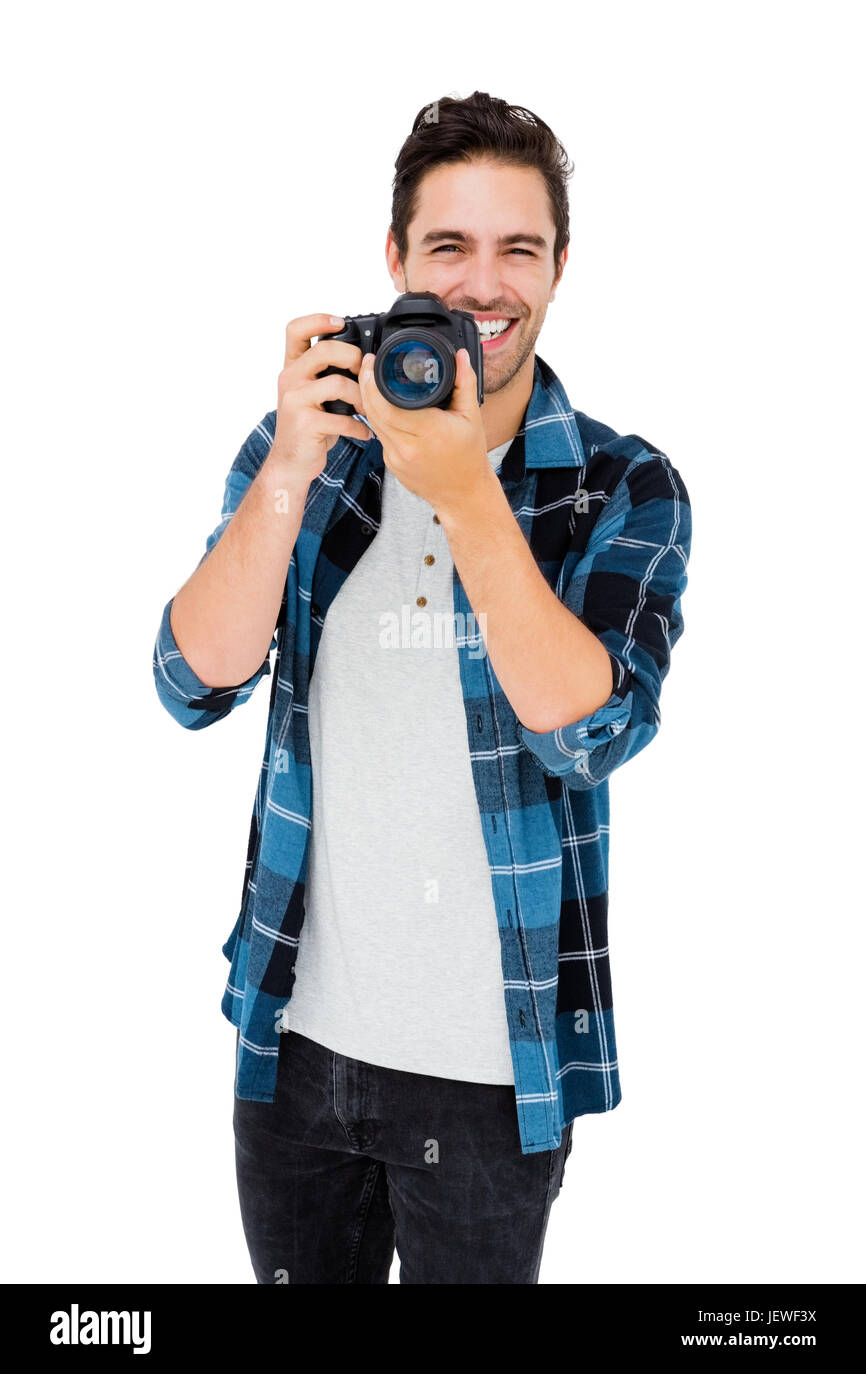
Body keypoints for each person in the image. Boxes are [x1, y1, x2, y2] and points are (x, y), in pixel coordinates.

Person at [152, 90, 692, 1285]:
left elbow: (591, 729)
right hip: (293, 1047)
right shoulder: (311, 452)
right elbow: (190, 677)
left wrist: (466, 493)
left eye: (518, 248)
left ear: (559, 268)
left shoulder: (621, 484)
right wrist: (292, 460)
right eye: (448, 246)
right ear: (393, 261)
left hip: (495, 1073)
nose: (481, 286)